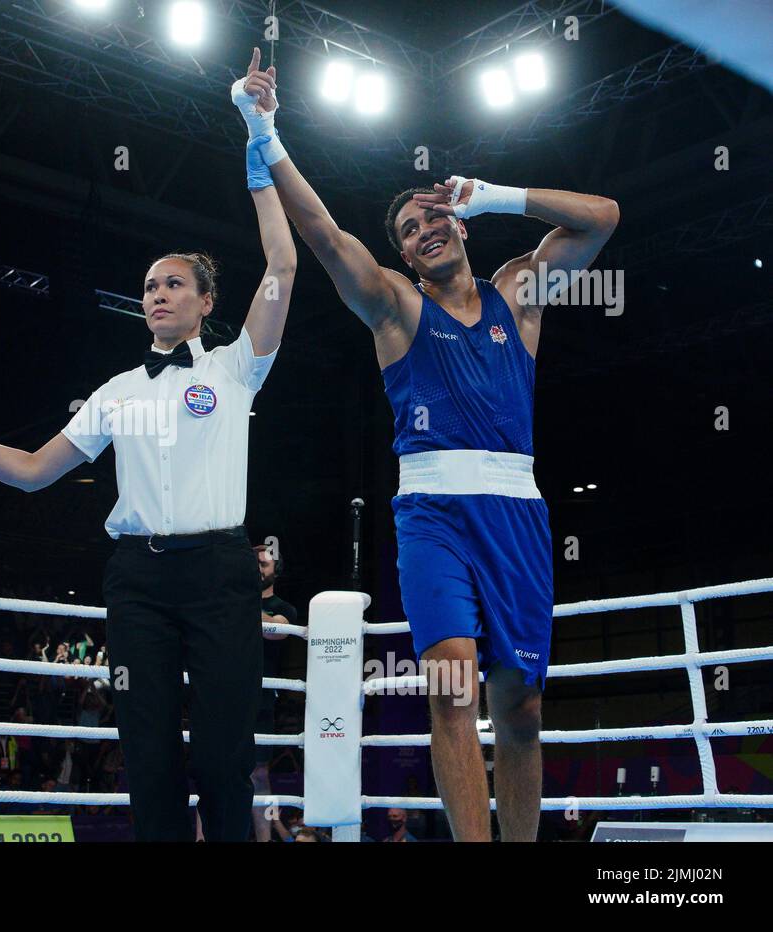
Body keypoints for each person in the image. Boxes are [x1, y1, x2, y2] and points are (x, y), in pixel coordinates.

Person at [234, 50, 619, 841]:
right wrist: (264, 127)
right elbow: (324, 234)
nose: (424, 231)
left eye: (435, 216)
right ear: (405, 254)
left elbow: (604, 216)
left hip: (517, 511)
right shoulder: (395, 307)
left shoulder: (523, 289)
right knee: (451, 689)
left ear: (459, 220)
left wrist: (501, 194)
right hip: (433, 514)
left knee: (522, 705)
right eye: (410, 230)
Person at [0, 135, 296, 840]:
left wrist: (260, 160)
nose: (158, 294)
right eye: (149, 286)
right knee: (146, 754)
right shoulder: (113, 392)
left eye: (174, 283)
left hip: (221, 574)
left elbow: (284, 264)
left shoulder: (236, 370)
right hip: (137, 579)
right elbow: (30, 471)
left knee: (222, 753)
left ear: (206, 302)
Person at [252, 541, 296, 841]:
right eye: (253, 563)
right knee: (212, 768)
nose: (257, 568)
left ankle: (265, 839)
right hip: (223, 693)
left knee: (258, 774)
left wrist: (242, 609)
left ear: (275, 570)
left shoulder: (283, 609)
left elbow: (276, 631)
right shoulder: (230, 600)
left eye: (263, 564)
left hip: (261, 699)